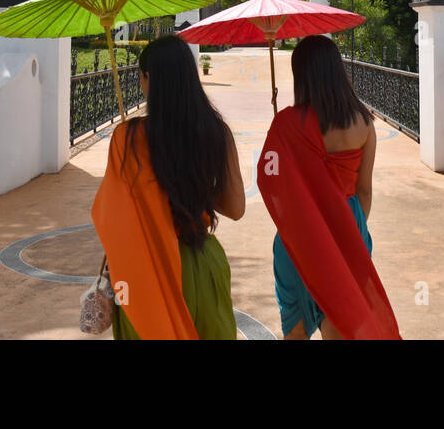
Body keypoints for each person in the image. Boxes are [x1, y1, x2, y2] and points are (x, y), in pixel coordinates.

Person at [90, 34, 245, 339]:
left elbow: (112, 217)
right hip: (204, 264)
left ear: (148, 78)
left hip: (150, 272)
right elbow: (236, 207)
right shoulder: (217, 132)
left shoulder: (127, 139)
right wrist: (191, 188)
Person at [257, 35, 401, 339]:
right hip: (349, 227)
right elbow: (365, 191)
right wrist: (348, 226)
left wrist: (281, 129)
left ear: (301, 75)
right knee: (341, 323)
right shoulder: (363, 122)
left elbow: (271, 180)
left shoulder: (286, 123)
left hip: (299, 232)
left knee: (294, 331)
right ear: (337, 71)